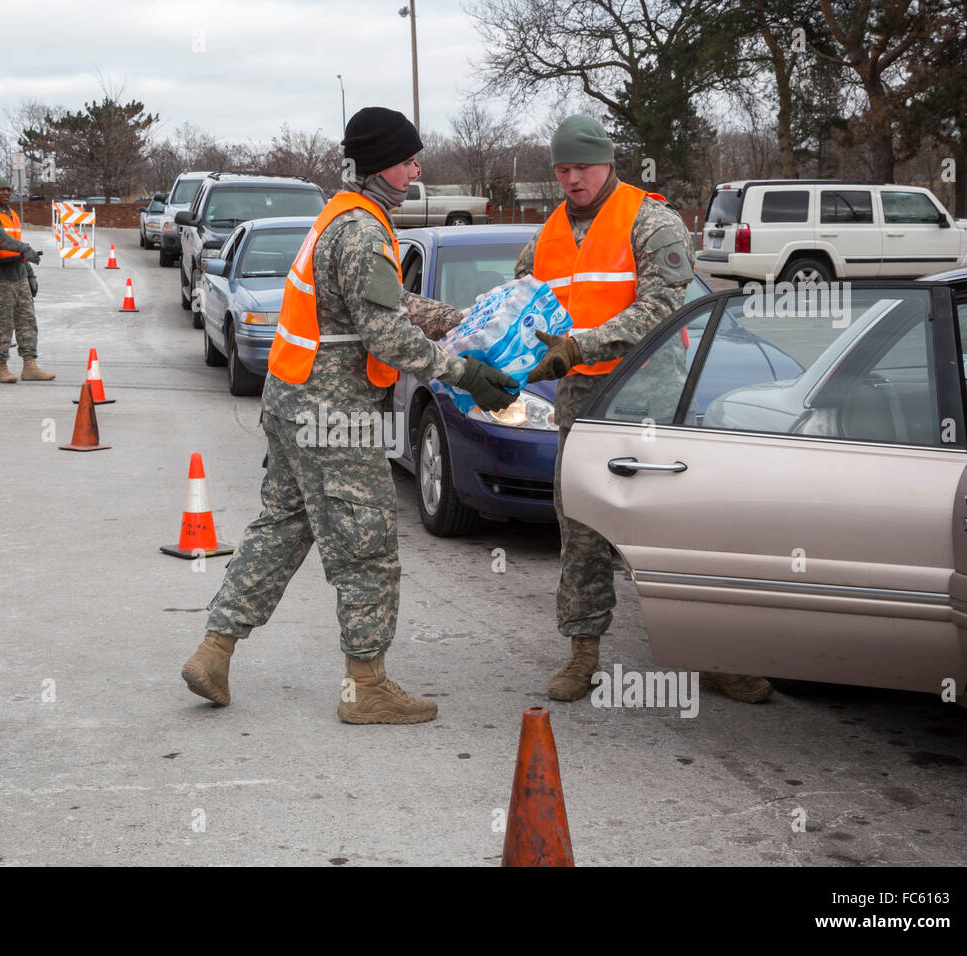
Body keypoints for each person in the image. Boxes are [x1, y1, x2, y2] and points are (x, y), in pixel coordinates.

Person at [180, 106, 518, 724]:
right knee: (367, 545)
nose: (418, 168)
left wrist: (459, 320)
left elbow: (380, 301)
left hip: (289, 400)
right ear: (384, 163)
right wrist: (464, 371)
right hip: (333, 414)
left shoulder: (339, 218)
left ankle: (214, 650)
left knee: (282, 527)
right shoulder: (365, 231)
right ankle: (367, 685)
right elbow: (385, 336)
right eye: (410, 158)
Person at [519, 115, 773, 705]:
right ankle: (583, 654)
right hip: (582, 403)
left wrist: (581, 345)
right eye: (562, 169)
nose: (572, 179)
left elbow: (662, 307)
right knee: (580, 525)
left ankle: (711, 656)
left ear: (608, 162)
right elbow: (525, 301)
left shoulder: (651, 220)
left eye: (582, 166)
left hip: (649, 395)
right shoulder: (548, 233)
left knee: (669, 527)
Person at [0, 176, 55, 384]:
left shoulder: (10, 214)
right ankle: (2, 367)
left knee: (27, 320)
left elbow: (16, 243)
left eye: (8, 189)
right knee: (3, 323)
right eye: (1, 189)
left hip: (18, 276)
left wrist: (29, 273)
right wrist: (24, 249)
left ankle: (30, 366)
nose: (6, 193)